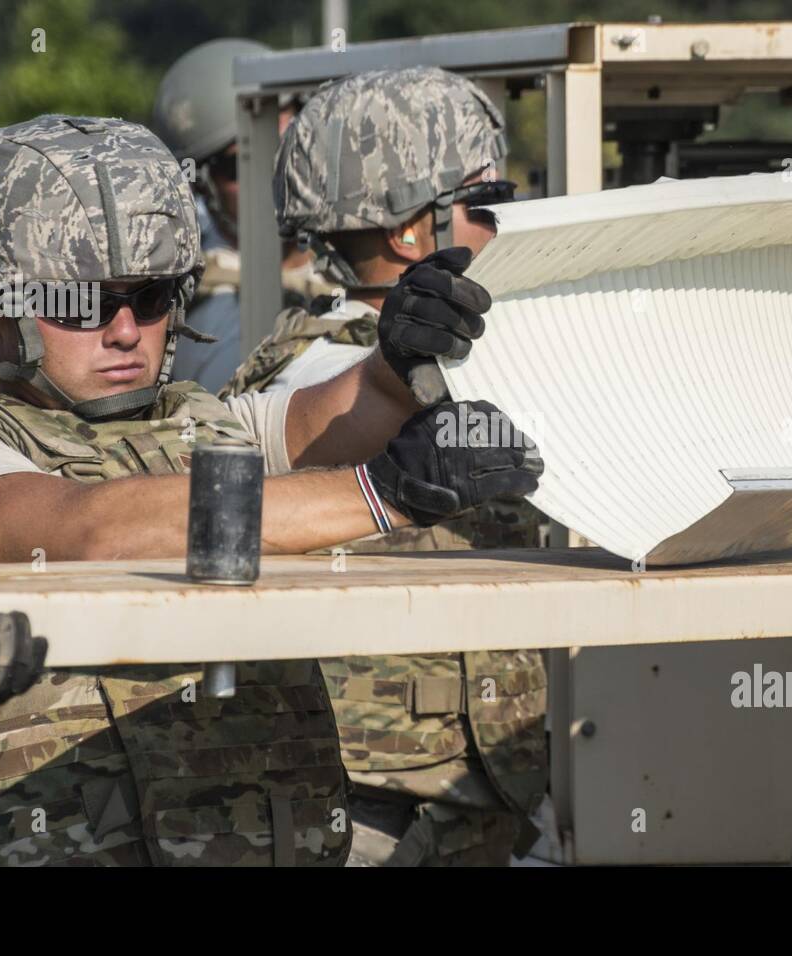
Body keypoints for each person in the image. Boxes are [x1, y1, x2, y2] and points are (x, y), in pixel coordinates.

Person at [0, 113, 541, 866]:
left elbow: (337, 415)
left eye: (150, 298)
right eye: (84, 303)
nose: (124, 330)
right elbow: (87, 533)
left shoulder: (205, 425)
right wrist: (379, 494)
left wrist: (400, 356)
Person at [224, 66, 550, 866]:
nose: (509, 219)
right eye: (489, 200)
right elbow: (327, 420)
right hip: (365, 818)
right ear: (412, 233)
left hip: (471, 806)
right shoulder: (311, 370)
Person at [151, 38, 332, 392]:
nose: (279, 171)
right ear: (204, 187)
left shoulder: (354, 242)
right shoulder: (214, 318)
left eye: (290, 144)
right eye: (240, 164)